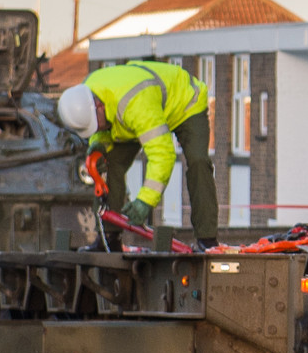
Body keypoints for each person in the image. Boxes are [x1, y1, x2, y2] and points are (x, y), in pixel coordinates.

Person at [57, 61, 219, 242]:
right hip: (131, 116)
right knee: (107, 163)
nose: (95, 130)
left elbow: (162, 154)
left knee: (198, 162)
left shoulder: (136, 103)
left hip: (185, 104)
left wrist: (145, 201)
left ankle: (207, 239)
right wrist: (99, 145)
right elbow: (99, 129)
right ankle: (108, 238)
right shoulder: (86, 94)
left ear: (99, 106)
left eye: (95, 125)